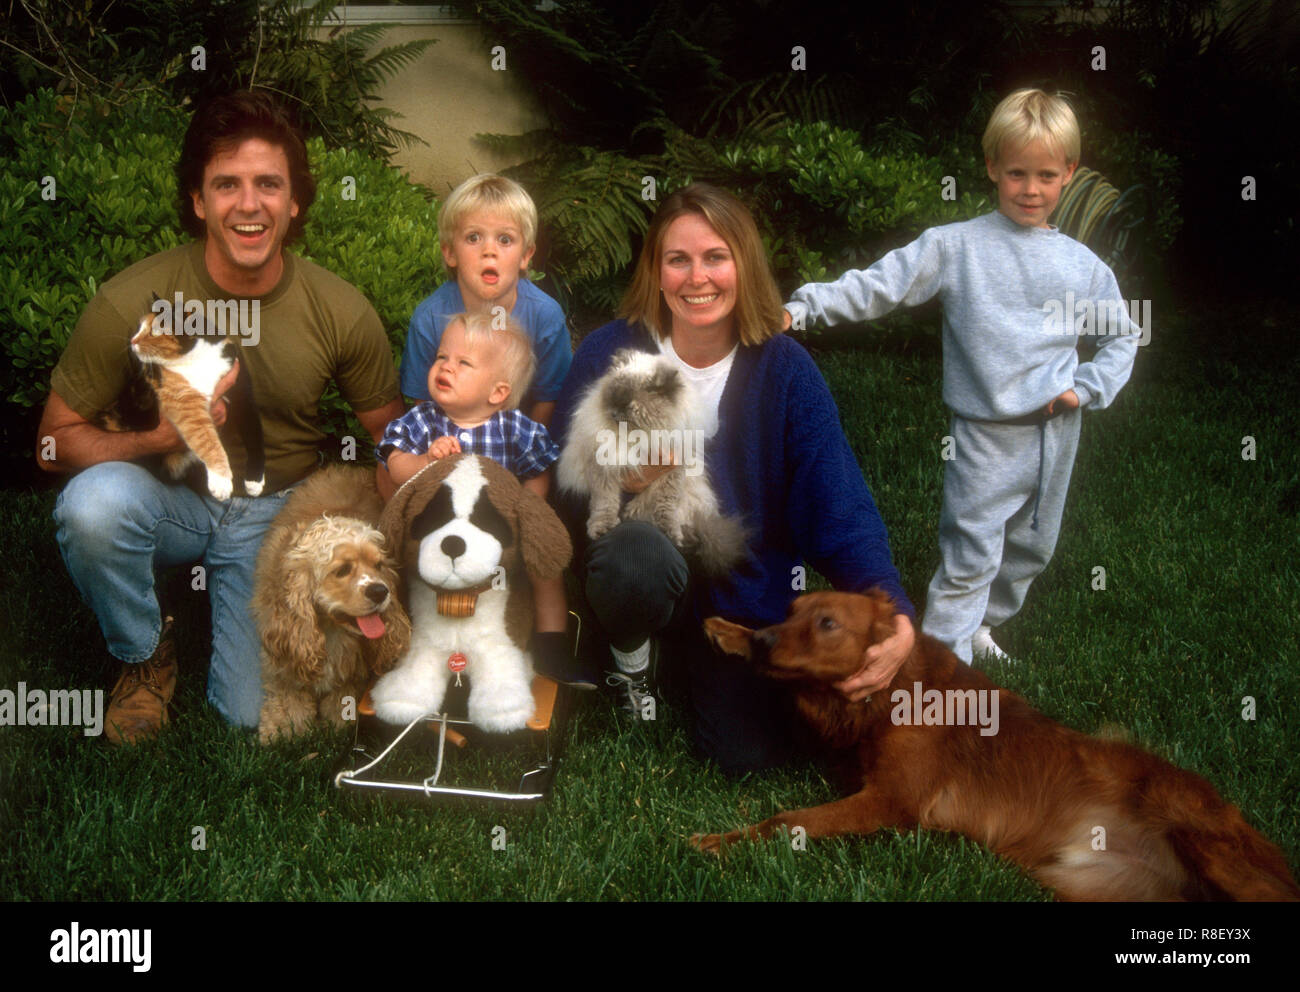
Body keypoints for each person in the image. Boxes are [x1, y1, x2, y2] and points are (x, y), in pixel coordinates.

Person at [35, 91, 405, 744]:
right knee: (93, 508)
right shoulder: (131, 300)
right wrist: (155, 437)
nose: (249, 204)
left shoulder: (340, 310)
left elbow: (393, 445)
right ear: (200, 201)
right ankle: (143, 654)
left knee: (247, 720)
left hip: (275, 514)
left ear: (294, 203)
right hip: (171, 494)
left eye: (269, 184)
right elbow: (49, 446)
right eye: (226, 184)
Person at [550, 183, 915, 774]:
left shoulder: (784, 367)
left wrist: (892, 607)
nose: (698, 278)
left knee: (747, 758)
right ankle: (627, 652)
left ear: (743, 265)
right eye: (679, 260)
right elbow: (564, 488)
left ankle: (690, 664)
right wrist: (629, 482)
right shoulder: (611, 353)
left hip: (742, 590)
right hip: (640, 560)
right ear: (657, 271)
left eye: (715, 257)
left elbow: (837, 501)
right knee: (636, 560)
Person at [784, 89, 1140, 664]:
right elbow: (882, 283)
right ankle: (944, 668)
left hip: (1056, 431)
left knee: (1031, 549)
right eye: (1017, 172)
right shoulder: (956, 248)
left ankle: (980, 626)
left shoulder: (1083, 267)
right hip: (983, 435)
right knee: (971, 554)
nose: (1031, 189)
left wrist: (1088, 387)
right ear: (992, 166)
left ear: (1070, 174)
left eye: (1046, 175)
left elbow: (1124, 334)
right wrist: (802, 309)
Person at [377, 312, 576, 686]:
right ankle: (397, 642)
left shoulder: (515, 429)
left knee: (545, 571)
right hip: (434, 539)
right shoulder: (423, 422)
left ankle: (552, 645)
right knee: (396, 569)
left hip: (496, 540)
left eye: (463, 362)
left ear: (498, 392)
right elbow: (393, 463)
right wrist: (424, 461)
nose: (445, 367)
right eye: (441, 357)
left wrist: (525, 512)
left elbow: (538, 471)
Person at [400, 173, 570, 429]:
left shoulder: (545, 316)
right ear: (450, 252)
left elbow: (549, 399)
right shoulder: (430, 318)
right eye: (473, 237)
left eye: (505, 239)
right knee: (387, 468)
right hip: (448, 439)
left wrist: (527, 452)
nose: (489, 251)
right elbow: (424, 404)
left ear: (526, 255)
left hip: (521, 438)